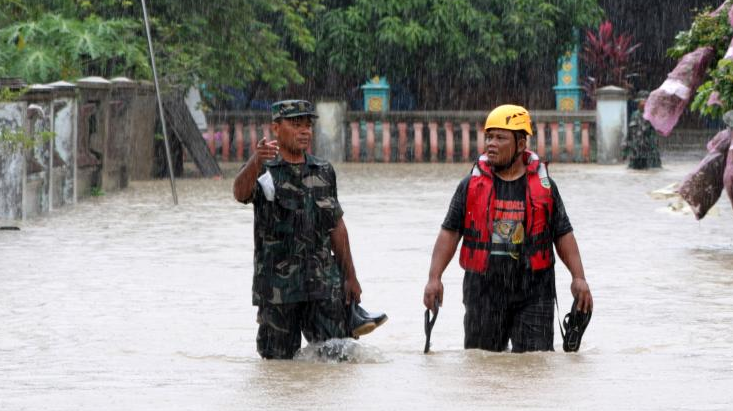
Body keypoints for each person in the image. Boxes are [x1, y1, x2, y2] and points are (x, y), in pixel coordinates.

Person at [422, 104, 593, 352]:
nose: (491, 144)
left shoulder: (545, 187)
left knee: (535, 365)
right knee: (482, 363)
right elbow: (449, 232)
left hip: (534, 294)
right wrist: (434, 278)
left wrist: (578, 278)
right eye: (489, 137)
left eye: (500, 138)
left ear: (521, 144)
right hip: (483, 293)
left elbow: (563, 234)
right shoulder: (470, 186)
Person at [233, 99, 385, 359]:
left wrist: (350, 276)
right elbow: (240, 193)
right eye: (296, 125)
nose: (304, 131)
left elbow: (337, 227)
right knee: (278, 367)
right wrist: (256, 160)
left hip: (323, 285)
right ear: (276, 128)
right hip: (278, 290)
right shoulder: (263, 170)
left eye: (307, 125)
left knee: (338, 358)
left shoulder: (323, 171)